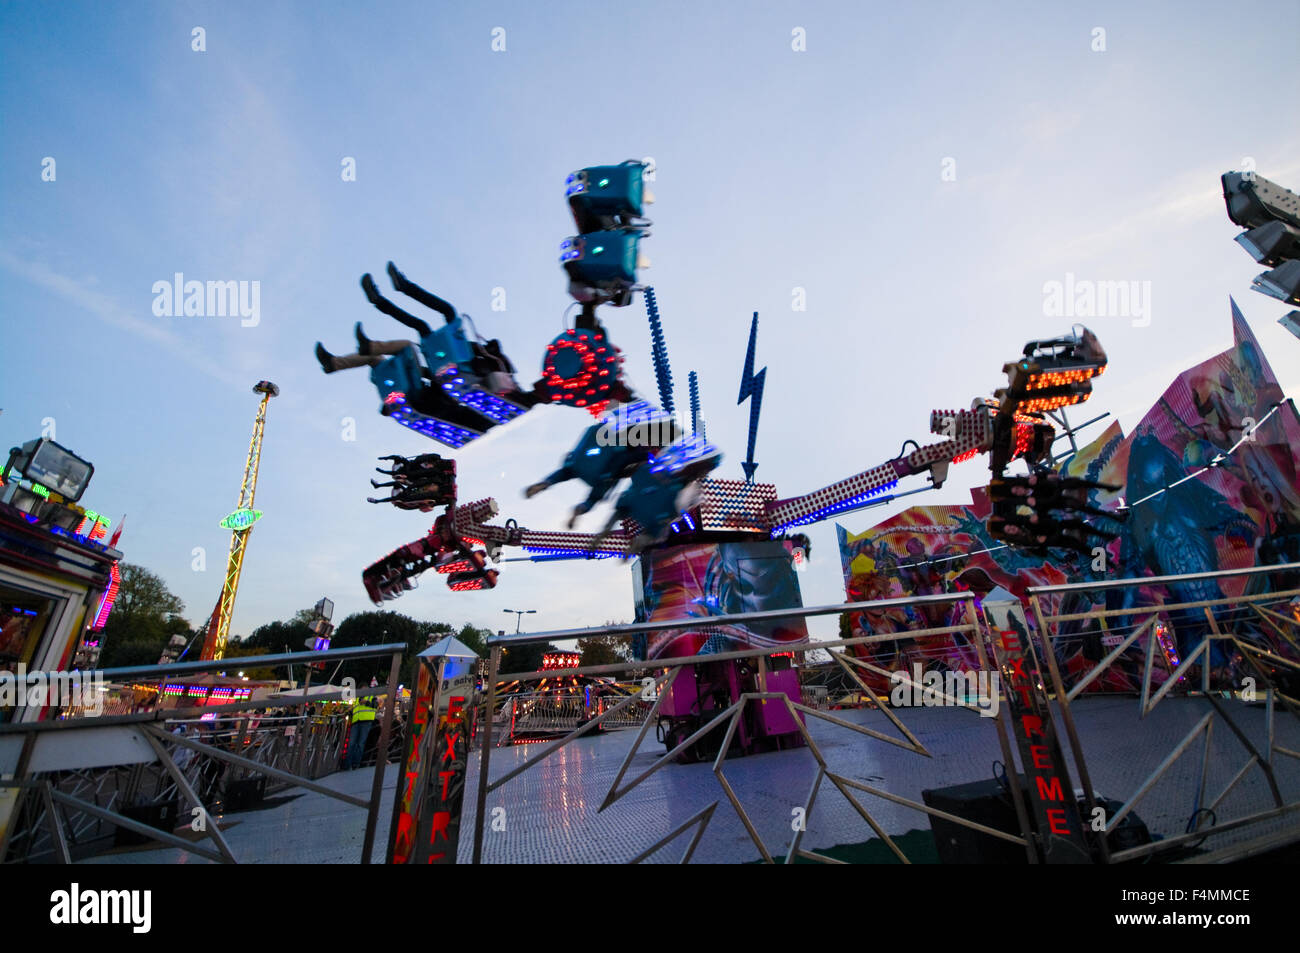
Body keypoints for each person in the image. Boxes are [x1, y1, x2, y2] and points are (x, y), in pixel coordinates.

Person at [344, 694, 379, 770]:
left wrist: (366, 702)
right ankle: (347, 764)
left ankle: (355, 764)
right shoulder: (357, 698)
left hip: (366, 721)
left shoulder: (371, 696)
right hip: (356, 721)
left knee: (360, 743)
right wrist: (348, 712)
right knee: (351, 743)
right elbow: (355, 709)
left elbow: (376, 705)